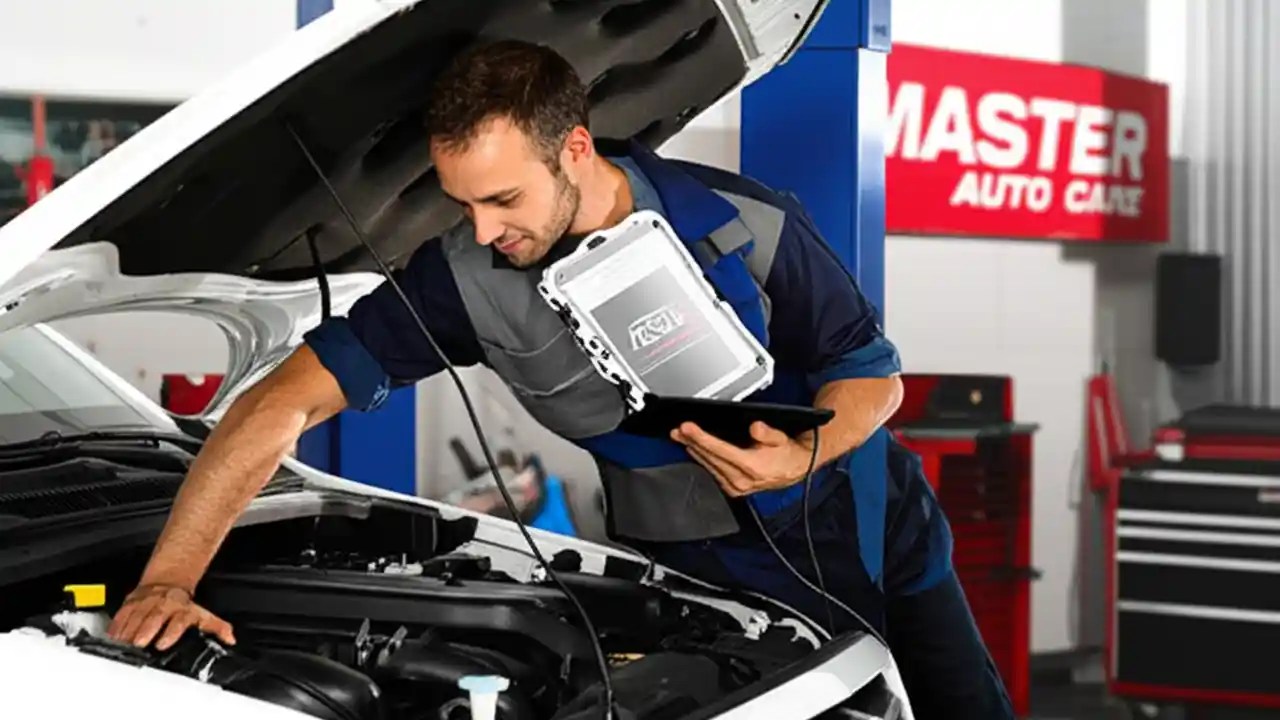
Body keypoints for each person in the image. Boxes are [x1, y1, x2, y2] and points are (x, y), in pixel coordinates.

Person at [107, 40, 1014, 718]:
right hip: (709, 577)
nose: (483, 228)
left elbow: (872, 373)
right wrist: (169, 580)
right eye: (462, 202)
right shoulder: (462, 281)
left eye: (504, 199)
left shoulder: (743, 220)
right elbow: (281, 403)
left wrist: (802, 454)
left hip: (868, 525)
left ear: (575, 148)